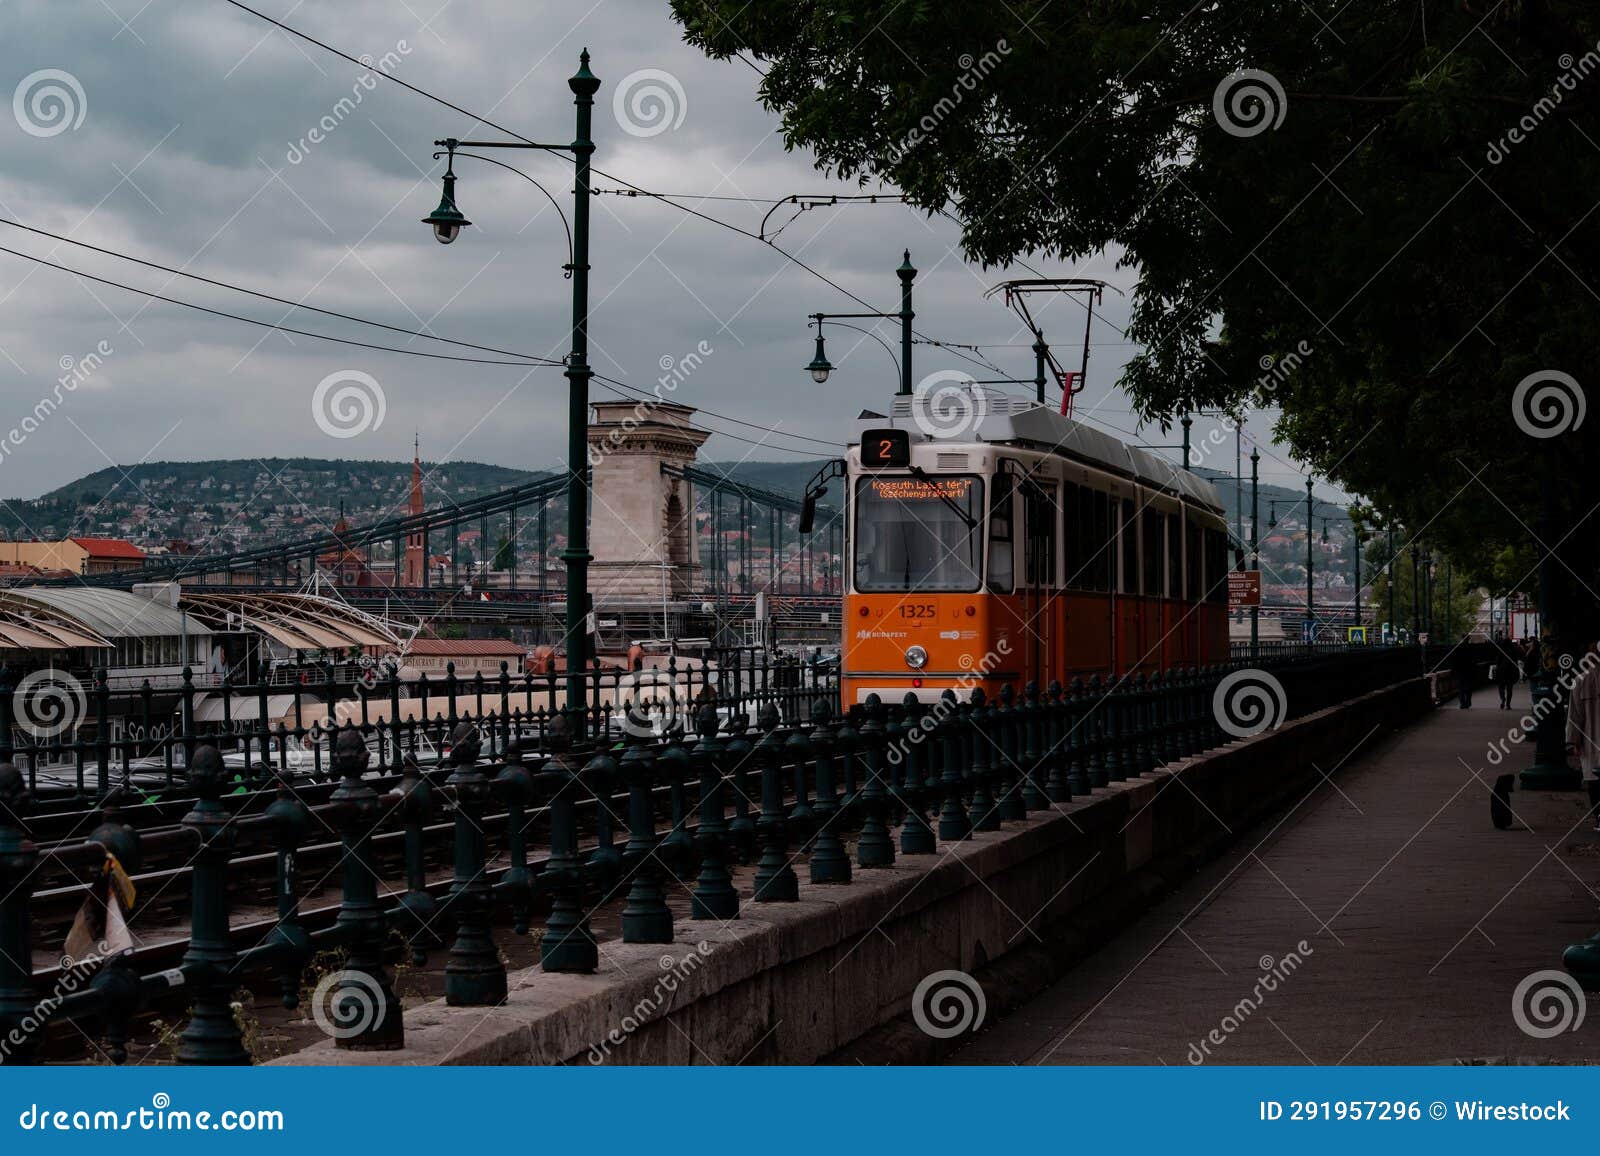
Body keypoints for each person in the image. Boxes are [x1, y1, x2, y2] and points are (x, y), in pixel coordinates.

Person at [1565, 642, 1600, 776]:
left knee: (1594, 783)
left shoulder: (1580, 680)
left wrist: (1573, 742)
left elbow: (1574, 715)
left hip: (1591, 742)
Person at [1493, 633, 1520, 709]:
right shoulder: (1513, 650)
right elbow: (1516, 661)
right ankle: (1508, 704)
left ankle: (1502, 699)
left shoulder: (1501, 650)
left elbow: (1497, 661)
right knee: (1509, 688)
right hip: (1511, 671)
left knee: (1501, 687)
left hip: (1502, 671)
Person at [1449, 636, 1476, 708]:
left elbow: (1453, 660)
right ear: (1468, 639)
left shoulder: (1457, 648)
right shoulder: (1471, 648)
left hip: (1459, 670)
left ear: (1462, 639)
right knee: (1468, 687)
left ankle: (1462, 703)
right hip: (1468, 670)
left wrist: (1453, 670)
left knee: (1460, 688)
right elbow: (1473, 660)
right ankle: (1468, 701)